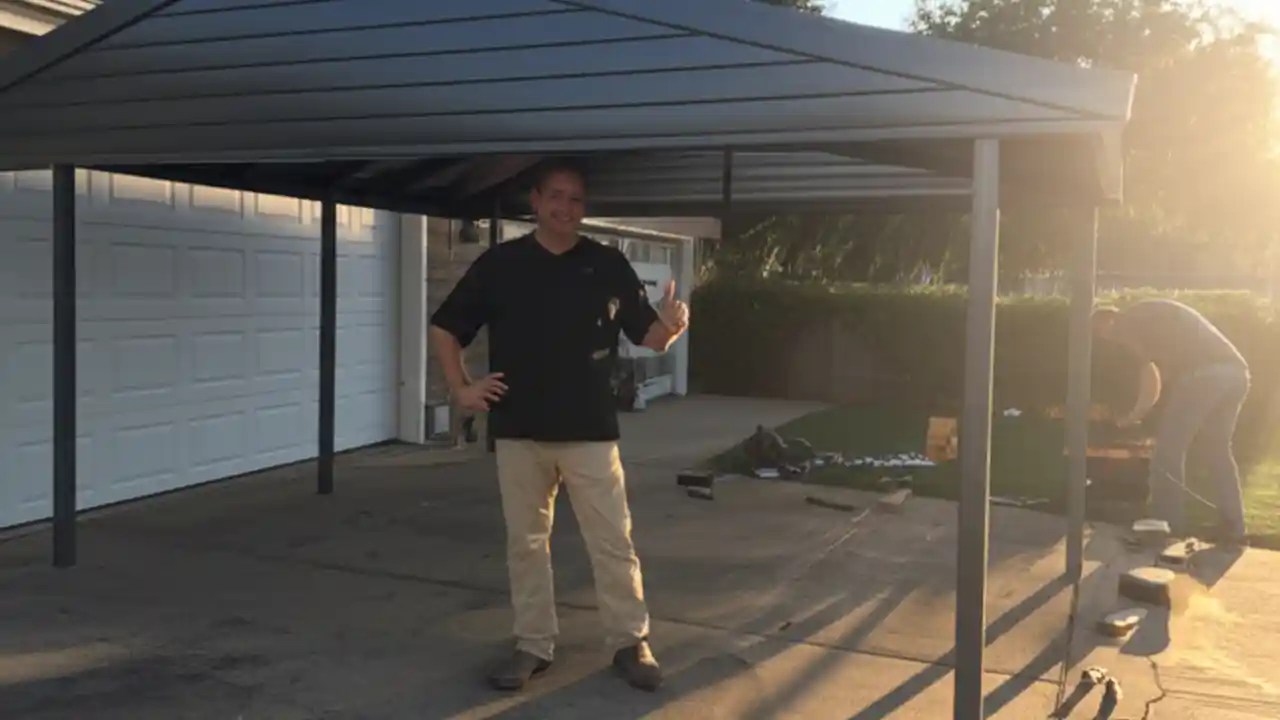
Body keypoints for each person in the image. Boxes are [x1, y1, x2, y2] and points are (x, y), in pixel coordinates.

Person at [429, 159, 690, 692]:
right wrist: (461, 389)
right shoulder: (500, 264)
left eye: (575, 199)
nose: (565, 208)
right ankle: (532, 644)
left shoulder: (608, 264)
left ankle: (629, 641)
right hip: (519, 431)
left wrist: (674, 327)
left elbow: (650, 338)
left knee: (613, 541)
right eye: (556, 196)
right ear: (535, 201)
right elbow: (445, 328)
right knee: (526, 543)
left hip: (590, 432)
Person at [1092, 299, 1250, 543]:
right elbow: (1160, 378)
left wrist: (1133, 417)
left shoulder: (1126, 323)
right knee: (1217, 451)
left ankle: (1165, 527)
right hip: (1236, 373)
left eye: (1101, 334)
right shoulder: (1152, 314)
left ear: (1108, 321)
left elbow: (1149, 379)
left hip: (1203, 375)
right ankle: (1234, 527)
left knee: (1167, 453)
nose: (1109, 340)